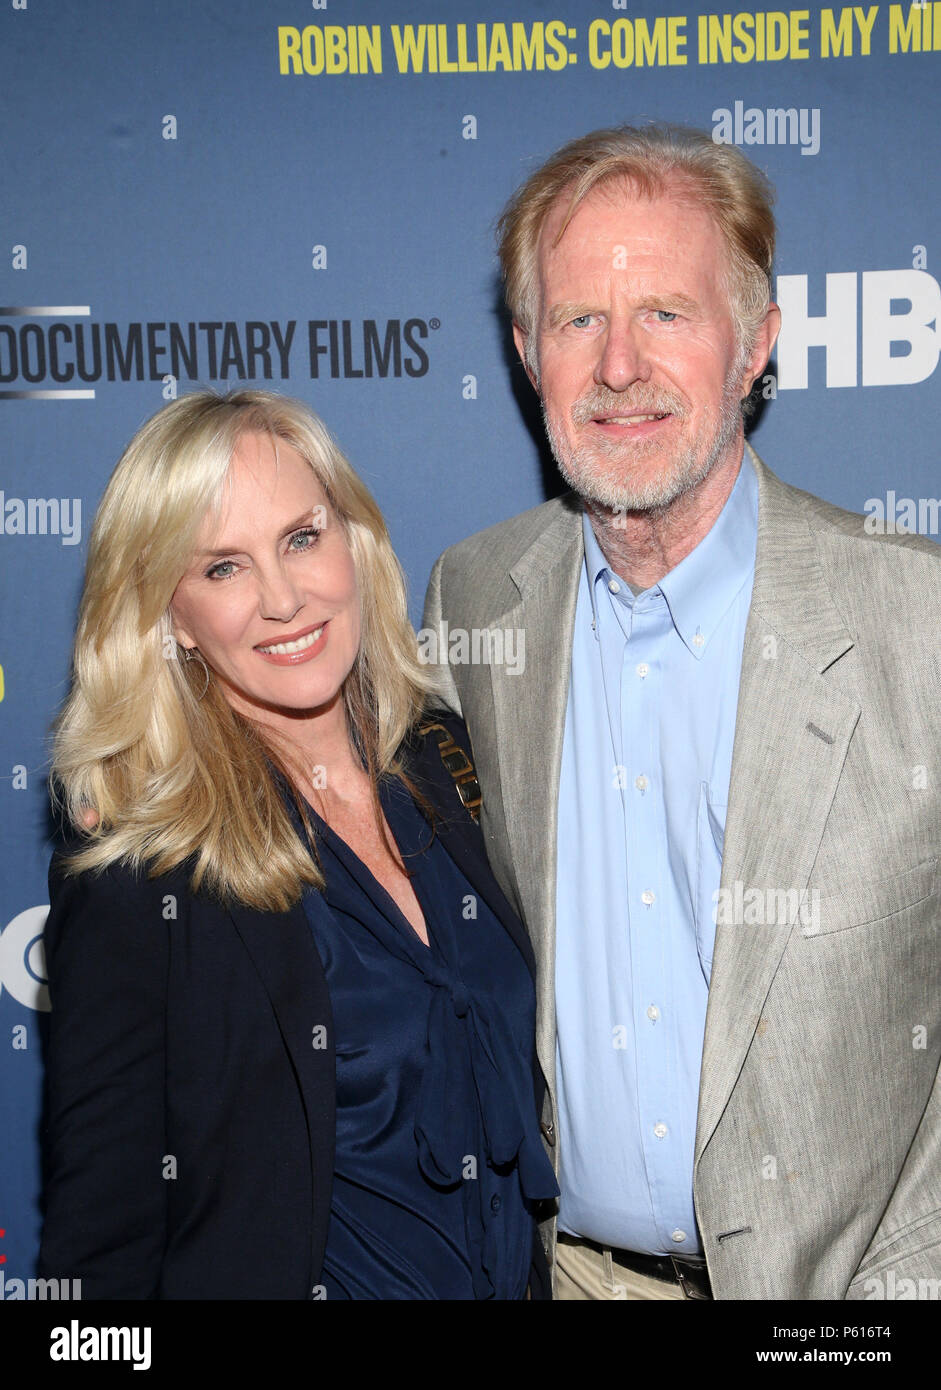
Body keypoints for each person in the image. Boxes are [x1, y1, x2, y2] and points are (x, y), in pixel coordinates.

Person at [423, 124, 941, 1300]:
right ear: (522, 352)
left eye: (664, 312)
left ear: (755, 343)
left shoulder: (917, 618)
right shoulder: (474, 597)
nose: (617, 367)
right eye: (575, 321)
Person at [39, 388, 558, 1300]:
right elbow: (98, 1247)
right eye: (222, 569)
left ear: (353, 537)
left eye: (301, 538)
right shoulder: (141, 872)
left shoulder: (441, 758)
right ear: (169, 617)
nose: (282, 599)